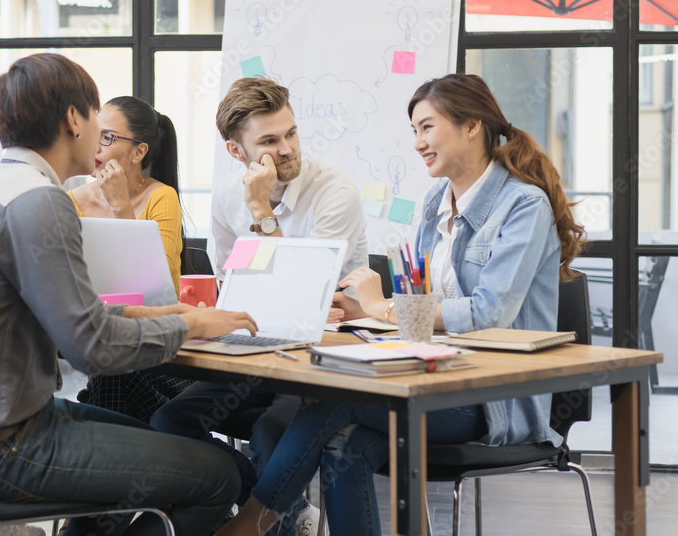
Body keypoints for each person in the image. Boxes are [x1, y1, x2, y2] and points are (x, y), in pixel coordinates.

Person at [215, 73, 586, 536]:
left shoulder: (523, 206)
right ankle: (253, 524)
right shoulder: (436, 201)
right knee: (342, 443)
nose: (417, 143)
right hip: (433, 374)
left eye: (427, 128)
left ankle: (249, 524)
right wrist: (369, 310)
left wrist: (384, 309)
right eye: (414, 131)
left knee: (334, 400)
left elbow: (490, 312)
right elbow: (420, 303)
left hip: (492, 399)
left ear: (472, 125)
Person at [0, 52, 258, 536]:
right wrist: (190, 324)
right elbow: (91, 346)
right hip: (11, 445)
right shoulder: (39, 200)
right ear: (73, 119)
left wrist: (163, 311)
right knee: (217, 474)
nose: (100, 129)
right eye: (97, 114)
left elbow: (76, 312)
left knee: (153, 442)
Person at [150, 76, 368, 534]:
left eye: (290, 133)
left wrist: (261, 215)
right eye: (269, 140)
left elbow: (300, 296)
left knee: (272, 430)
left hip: (320, 364)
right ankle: (271, 500)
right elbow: (236, 288)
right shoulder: (228, 193)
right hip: (258, 350)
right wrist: (273, 288)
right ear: (236, 151)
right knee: (170, 418)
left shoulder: (334, 191)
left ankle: (265, 517)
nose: (287, 148)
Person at [68, 96, 193, 422]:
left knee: (113, 373)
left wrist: (121, 206)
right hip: (103, 338)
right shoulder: (72, 200)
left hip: (160, 347)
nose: (95, 145)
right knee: (113, 367)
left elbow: (156, 292)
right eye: (95, 132)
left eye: (107, 138)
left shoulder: (160, 197)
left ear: (139, 152)